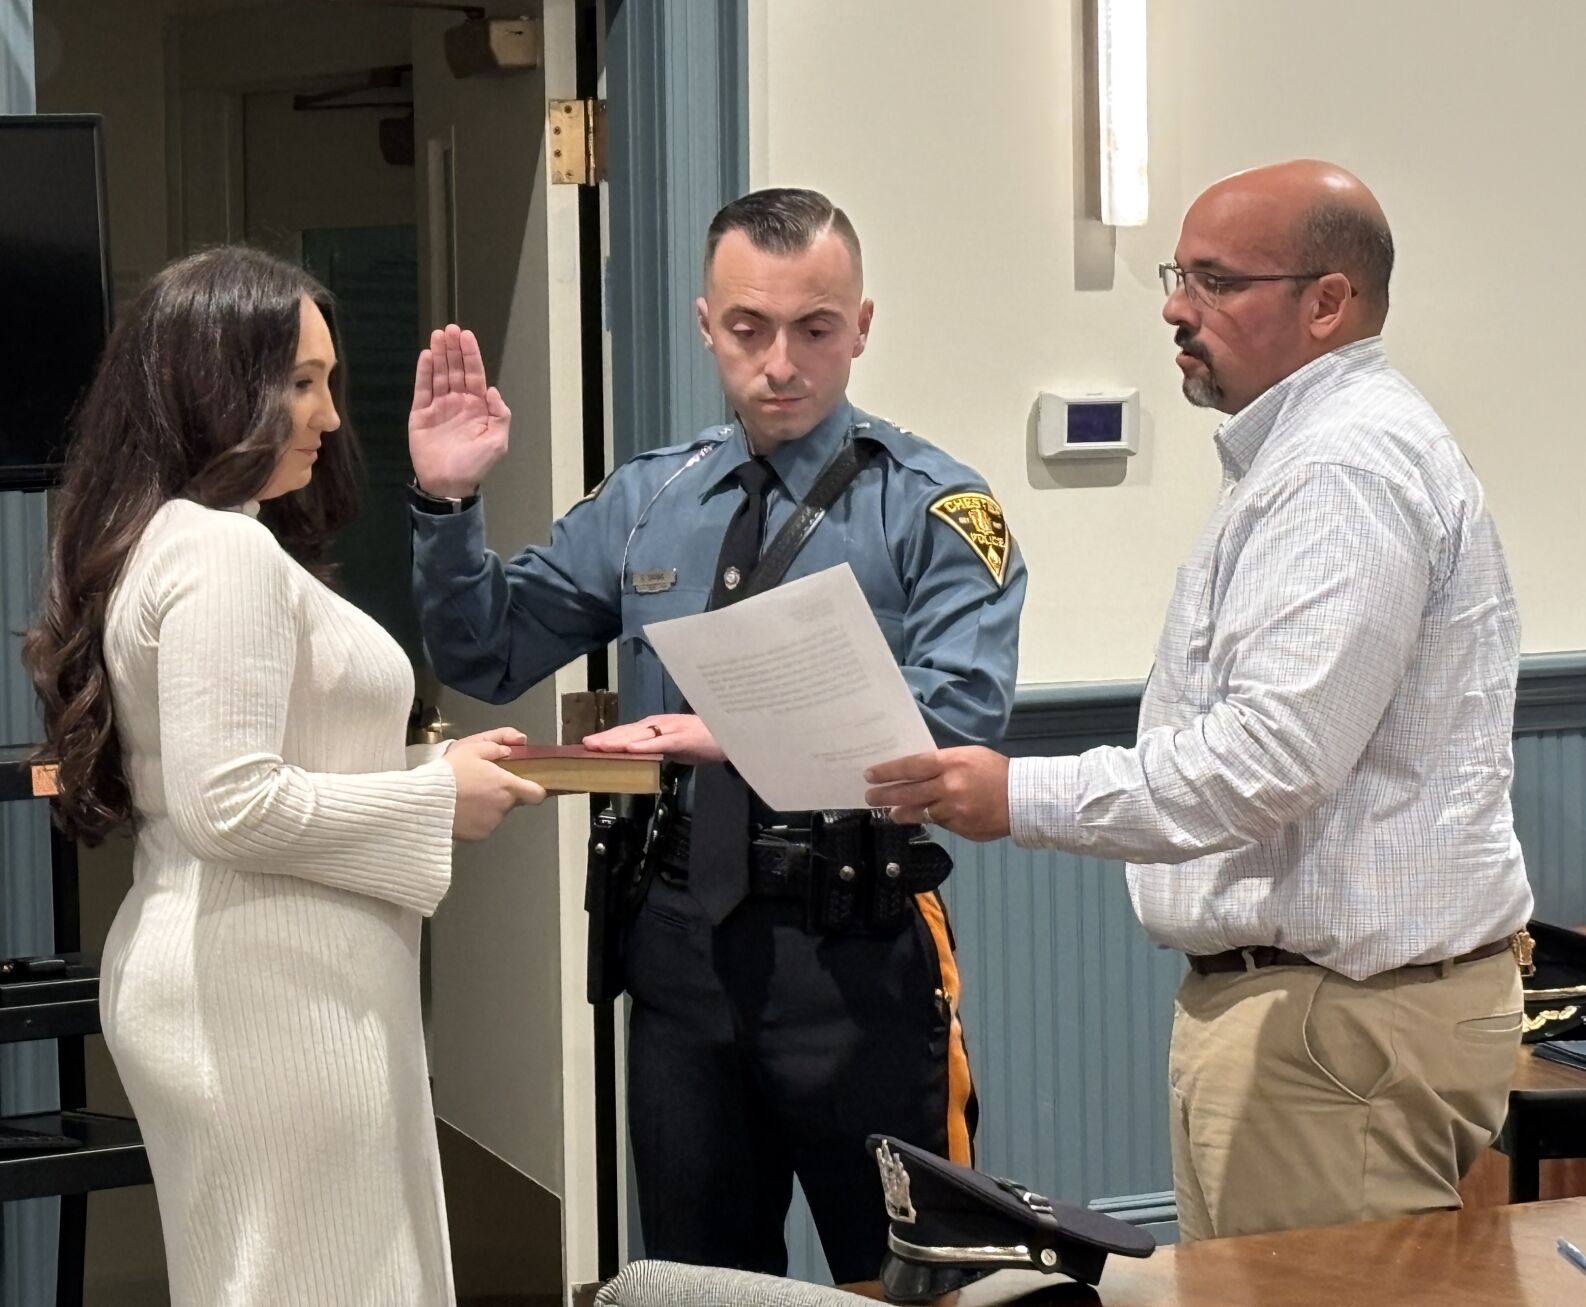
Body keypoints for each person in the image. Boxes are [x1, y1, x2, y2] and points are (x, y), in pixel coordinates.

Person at [864, 161, 1534, 1241]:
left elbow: (1267, 758)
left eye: (1216, 281)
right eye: (1179, 274)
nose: (1175, 306)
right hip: (1314, 1015)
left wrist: (1016, 795)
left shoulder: (1341, 468)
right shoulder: (1312, 452)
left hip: (1333, 1024)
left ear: (1326, 302)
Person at [409, 187, 1026, 1283]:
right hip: (683, 938)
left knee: (903, 1273)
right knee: (696, 1274)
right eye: (748, 329)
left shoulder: (928, 505)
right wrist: (448, 506)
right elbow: (488, 652)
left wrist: (728, 730)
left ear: (861, 327)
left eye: (814, 328)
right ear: (706, 324)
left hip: (852, 939)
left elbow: (957, 720)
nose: (779, 361)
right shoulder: (654, 500)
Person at [24, 246, 544, 1307]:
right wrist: (436, 794)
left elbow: (235, 770)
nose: (329, 416)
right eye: (299, 383)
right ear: (216, 383)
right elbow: (232, 801)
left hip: (256, 964)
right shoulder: (221, 553)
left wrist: (428, 764)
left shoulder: (184, 541)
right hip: (266, 981)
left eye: (327, 383)